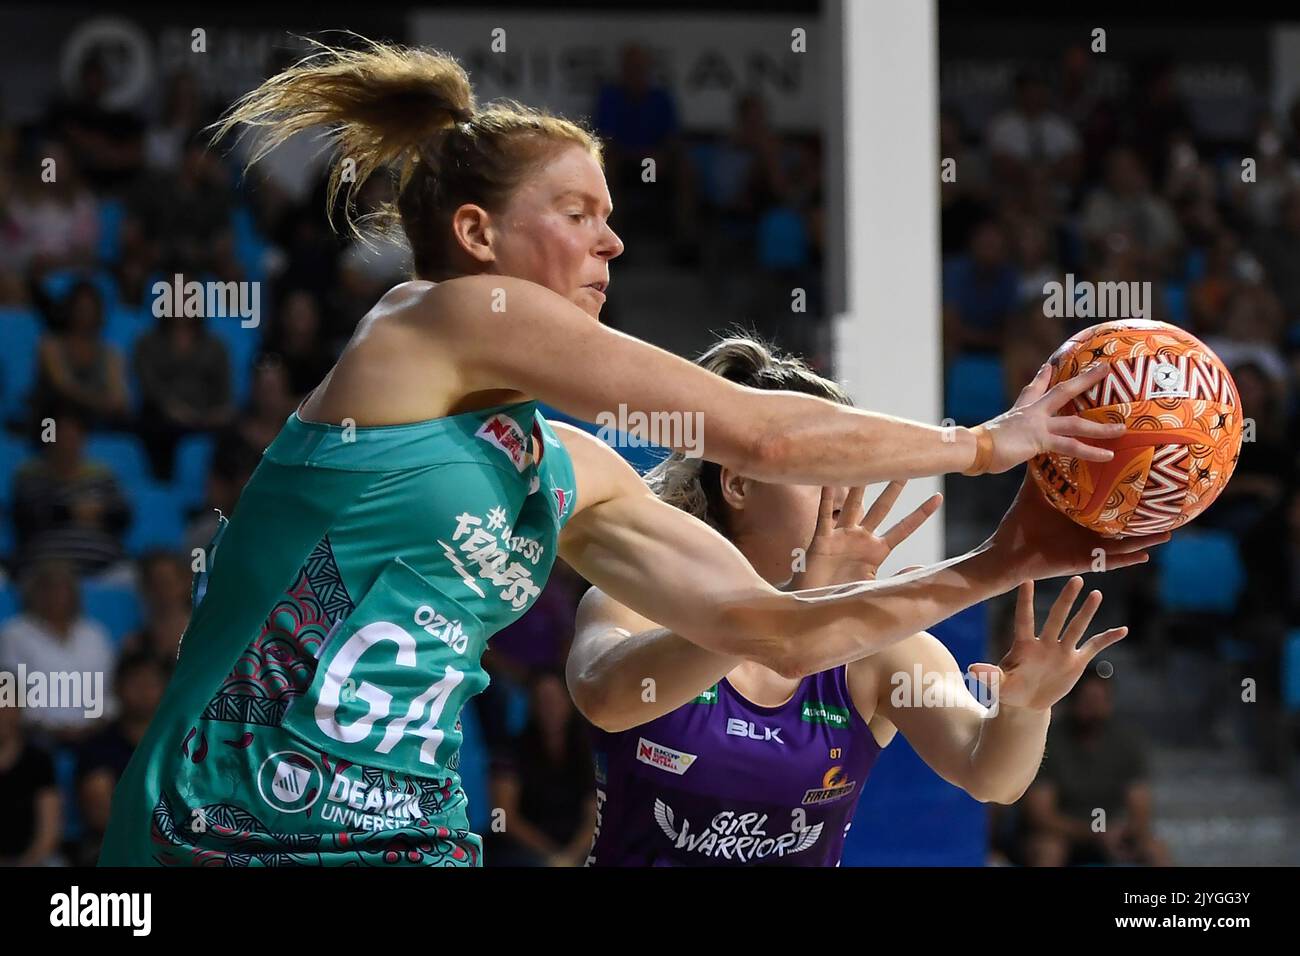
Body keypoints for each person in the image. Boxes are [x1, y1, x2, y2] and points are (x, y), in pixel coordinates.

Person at [100, 38, 1165, 867]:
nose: (613, 242)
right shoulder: (430, 321)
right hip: (224, 819)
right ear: (477, 234)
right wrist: (984, 443)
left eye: (613, 218)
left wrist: (1001, 562)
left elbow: (776, 636)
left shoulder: (573, 471)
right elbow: (757, 429)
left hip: (409, 832)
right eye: (578, 212)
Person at [568, 338, 1129, 866]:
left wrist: (1026, 708)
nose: (842, 491)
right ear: (739, 485)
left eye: (850, 468)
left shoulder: (882, 651)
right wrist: (791, 604)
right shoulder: (631, 602)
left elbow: (992, 778)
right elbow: (604, 695)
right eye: (819, 470)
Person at [1019, 671, 1170, 866]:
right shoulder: (1049, 742)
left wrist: (1124, 831)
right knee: (1048, 850)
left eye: (1100, 699)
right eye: (1088, 699)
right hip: (1063, 834)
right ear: (1072, 700)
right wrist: (1093, 833)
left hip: (1113, 832)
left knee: (1155, 849)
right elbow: (1041, 815)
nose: (1094, 707)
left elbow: (1140, 807)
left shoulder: (1126, 742)